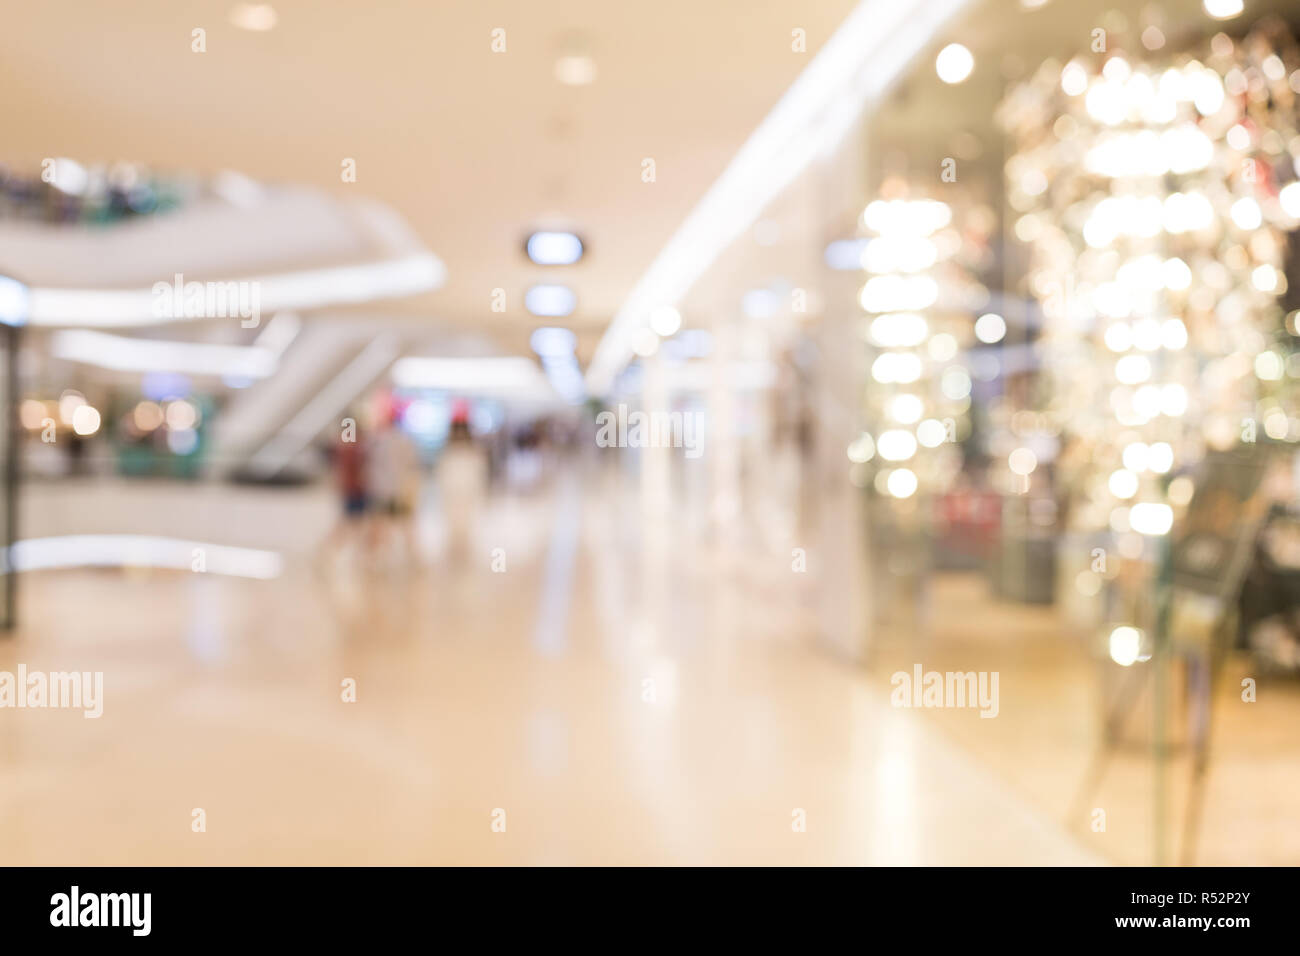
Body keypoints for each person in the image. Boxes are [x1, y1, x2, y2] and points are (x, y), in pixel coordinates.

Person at [366, 410, 421, 568]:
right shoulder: (404, 441)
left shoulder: (379, 441)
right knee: (401, 525)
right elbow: (412, 465)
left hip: (386, 489)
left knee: (384, 524)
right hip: (396, 488)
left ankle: (381, 557)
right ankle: (410, 556)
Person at [321, 423, 369, 567]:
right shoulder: (350, 451)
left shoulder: (347, 449)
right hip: (354, 491)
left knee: (354, 524)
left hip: (354, 490)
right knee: (348, 524)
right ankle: (328, 551)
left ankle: (357, 553)